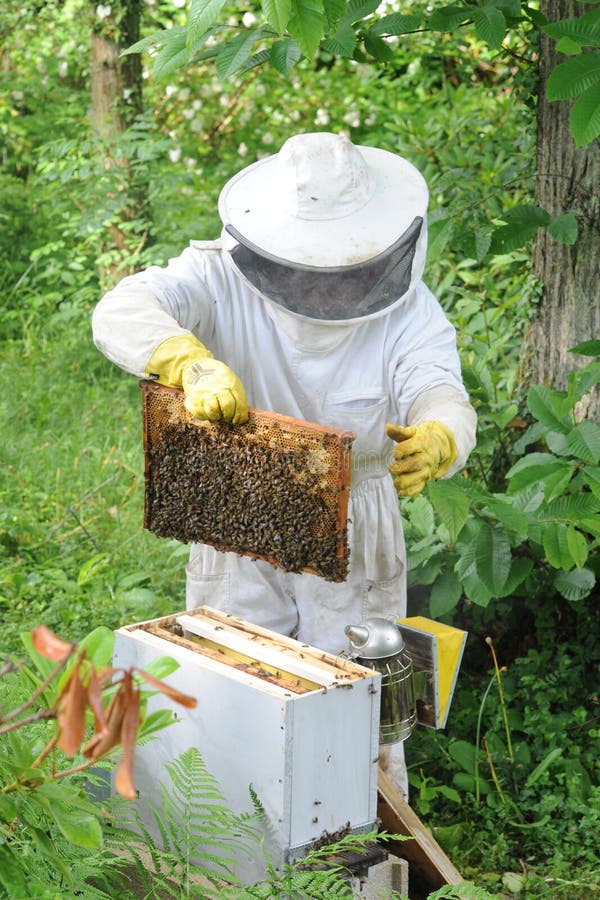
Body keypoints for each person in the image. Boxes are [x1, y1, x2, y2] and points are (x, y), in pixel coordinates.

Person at [92, 131, 477, 796]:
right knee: (230, 676)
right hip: (240, 509)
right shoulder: (213, 274)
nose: (320, 279)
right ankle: (234, 849)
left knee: (359, 697)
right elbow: (122, 309)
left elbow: (439, 385)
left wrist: (443, 434)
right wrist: (188, 360)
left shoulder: (408, 309)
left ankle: (352, 854)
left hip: (357, 520)